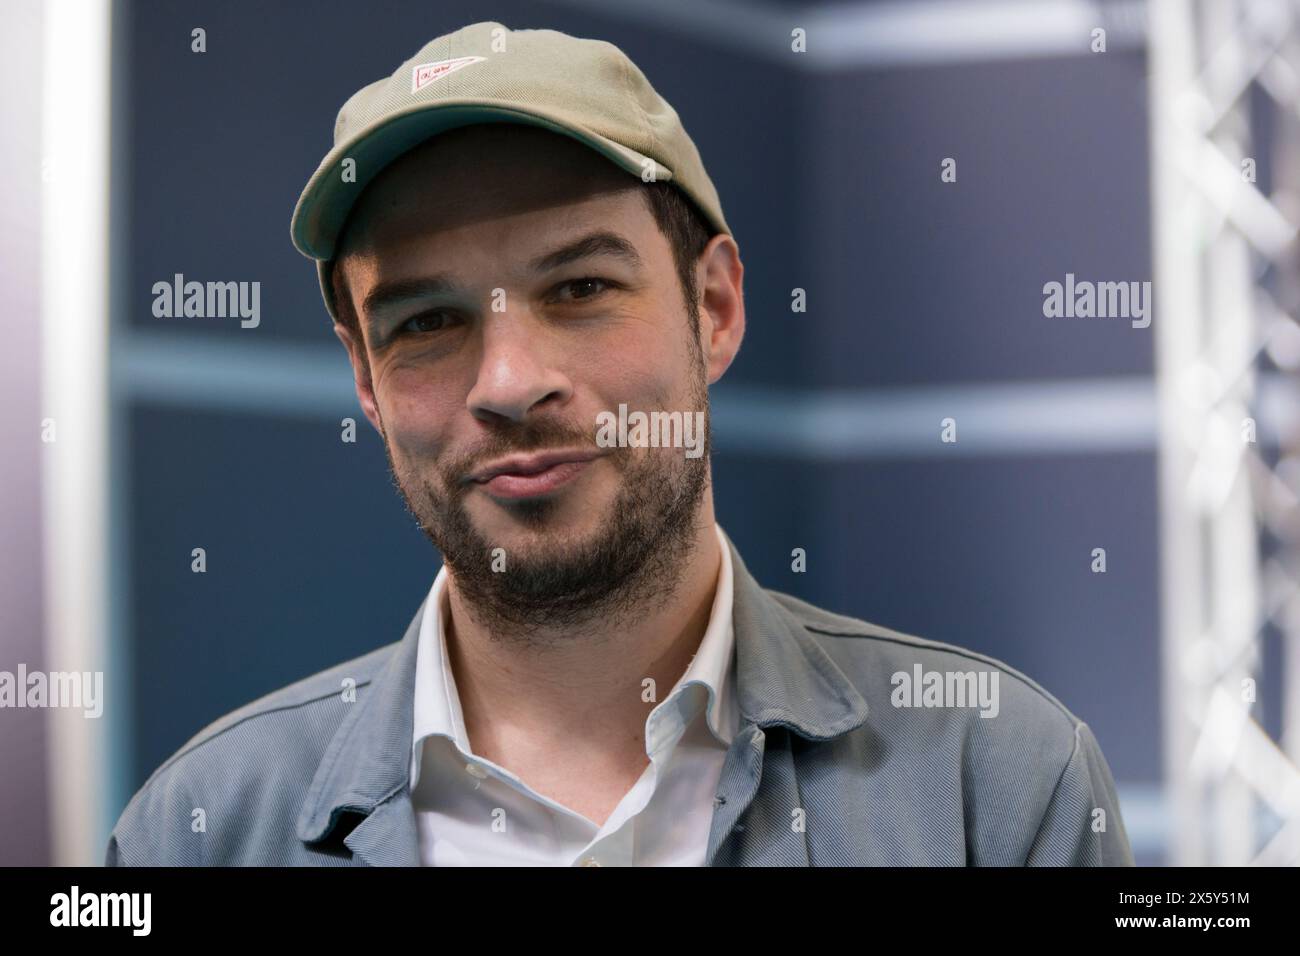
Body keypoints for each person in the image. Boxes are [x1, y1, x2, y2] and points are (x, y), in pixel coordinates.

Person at [106, 20, 1133, 867]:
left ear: (714, 306)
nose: (509, 383)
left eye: (580, 287)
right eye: (427, 321)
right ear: (365, 379)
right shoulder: (197, 833)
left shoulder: (993, 789)